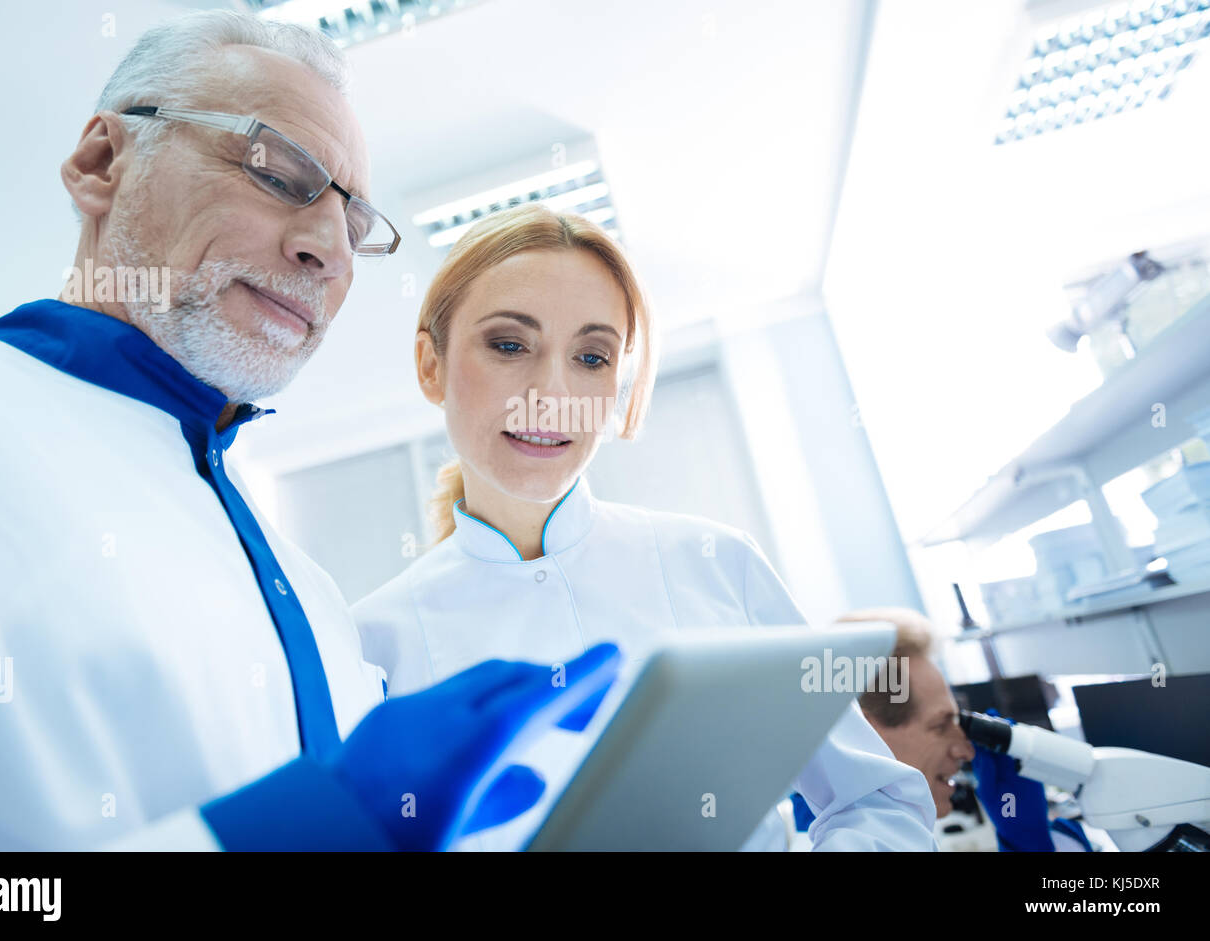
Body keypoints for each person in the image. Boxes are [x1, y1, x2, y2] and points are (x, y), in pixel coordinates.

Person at [0, 9, 620, 851]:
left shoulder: (311, 595)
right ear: (103, 163)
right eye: (279, 173)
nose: (330, 247)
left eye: (356, 227)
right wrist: (301, 828)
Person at [351, 203, 939, 851]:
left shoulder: (717, 565)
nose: (553, 393)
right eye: (510, 345)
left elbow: (878, 801)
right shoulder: (372, 641)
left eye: (593, 356)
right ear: (430, 366)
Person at [785, 608, 1092, 851]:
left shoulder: (887, 836)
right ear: (864, 734)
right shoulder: (864, 843)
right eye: (940, 724)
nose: (966, 750)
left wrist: (1019, 829)